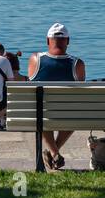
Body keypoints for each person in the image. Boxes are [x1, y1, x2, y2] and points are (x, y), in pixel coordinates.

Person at [27, 22, 86, 169]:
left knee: (40, 110)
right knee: (75, 113)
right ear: (68, 41)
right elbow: (80, 95)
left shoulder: (35, 59)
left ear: (48, 40)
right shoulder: (77, 64)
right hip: (67, 114)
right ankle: (55, 151)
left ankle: (54, 152)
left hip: (41, 114)